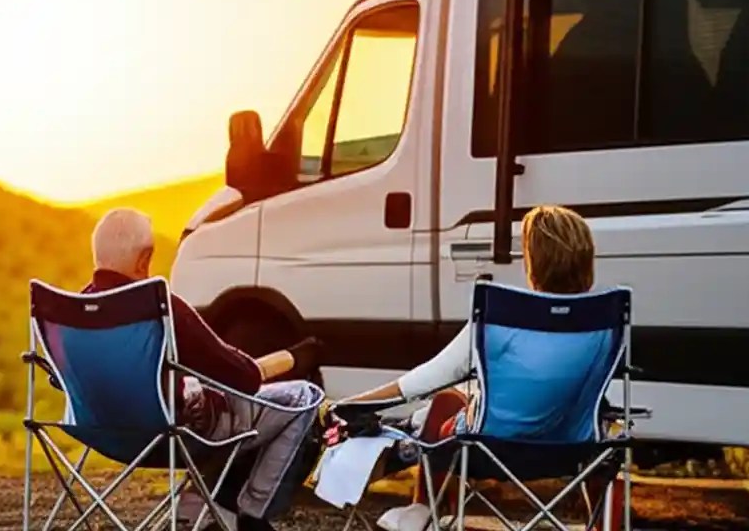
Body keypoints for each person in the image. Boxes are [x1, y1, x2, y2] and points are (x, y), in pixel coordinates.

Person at [336, 205, 598, 531]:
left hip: (488, 450)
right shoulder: (603, 322)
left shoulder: (504, 313)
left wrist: (351, 404)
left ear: (535, 262)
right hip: (571, 449)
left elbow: (424, 379)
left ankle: (422, 510)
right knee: (456, 400)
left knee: (446, 401)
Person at [83, 208, 324, 531]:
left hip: (100, 431)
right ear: (144, 259)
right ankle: (251, 514)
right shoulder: (160, 307)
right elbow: (243, 376)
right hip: (172, 435)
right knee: (302, 398)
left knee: (221, 405)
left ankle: (209, 509)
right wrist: (297, 357)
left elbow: (58, 378)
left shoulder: (74, 312)